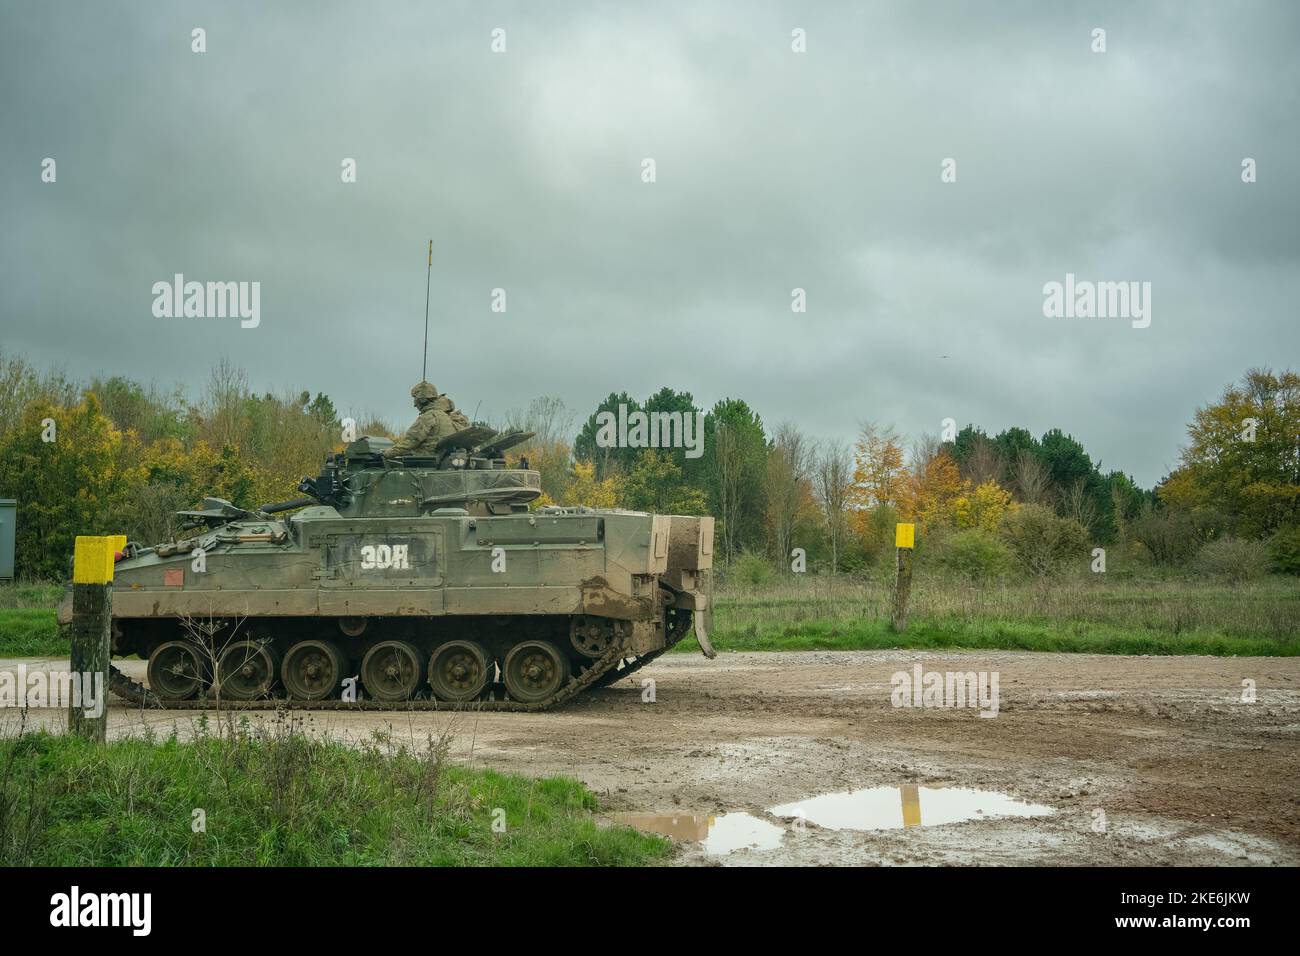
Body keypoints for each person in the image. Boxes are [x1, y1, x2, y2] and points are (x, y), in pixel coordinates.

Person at [382, 381, 456, 458]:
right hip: (439, 458)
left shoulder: (428, 416)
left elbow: (409, 442)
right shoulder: (445, 416)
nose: (414, 404)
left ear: (422, 400)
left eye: (415, 398)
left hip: (425, 459)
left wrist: (385, 454)